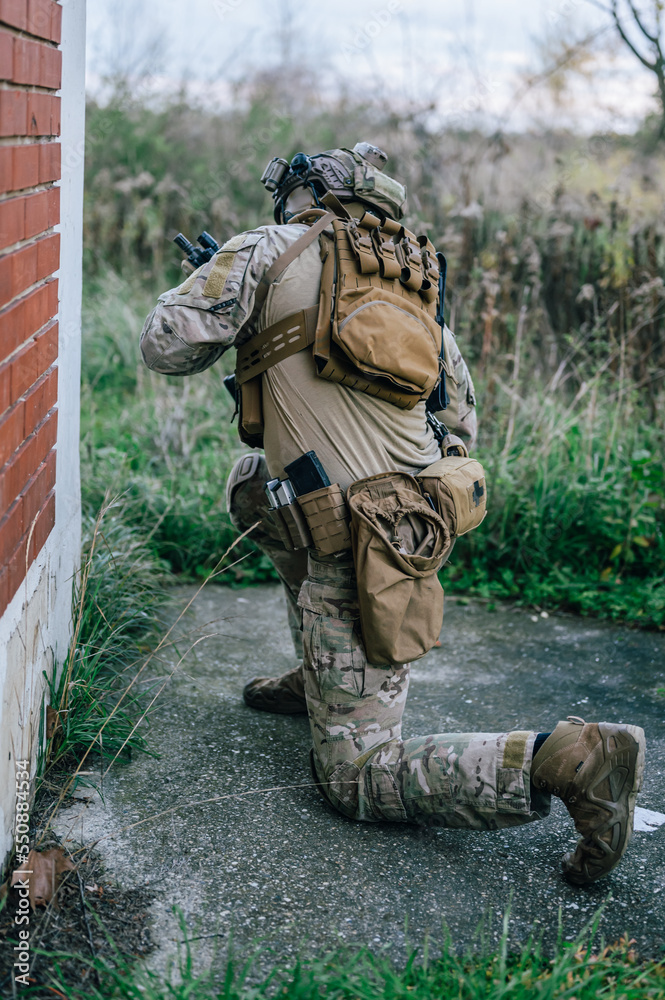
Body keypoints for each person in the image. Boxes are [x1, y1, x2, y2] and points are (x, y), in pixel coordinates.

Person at [140, 142, 645, 886]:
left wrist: (229, 296)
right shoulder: (417, 285)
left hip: (365, 553)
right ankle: (323, 669)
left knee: (356, 779)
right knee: (253, 484)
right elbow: (461, 423)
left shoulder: (270, 248)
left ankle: (572, 760)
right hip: (413, 519)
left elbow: (163, 346)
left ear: (306, 194)